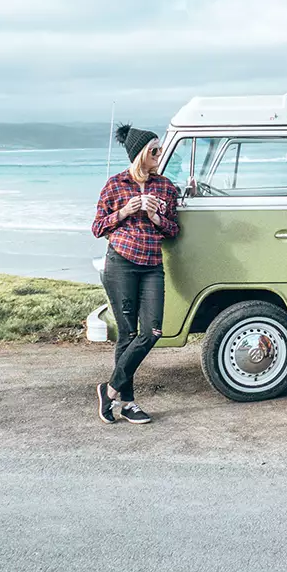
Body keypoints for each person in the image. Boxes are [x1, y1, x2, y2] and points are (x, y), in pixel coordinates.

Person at [90, 123, 179, 424]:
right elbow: (98, 227)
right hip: (121, 263)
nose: (159, 154)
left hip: (152, 264)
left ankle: (109, 389)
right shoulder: (115, 185)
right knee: (126, 335)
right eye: (154, 150)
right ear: (141, 154)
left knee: (153, 331)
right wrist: (126, 211)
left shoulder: (165, 187)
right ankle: (127, 403)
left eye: (160, 149)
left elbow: (173, 230)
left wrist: (155, 216)